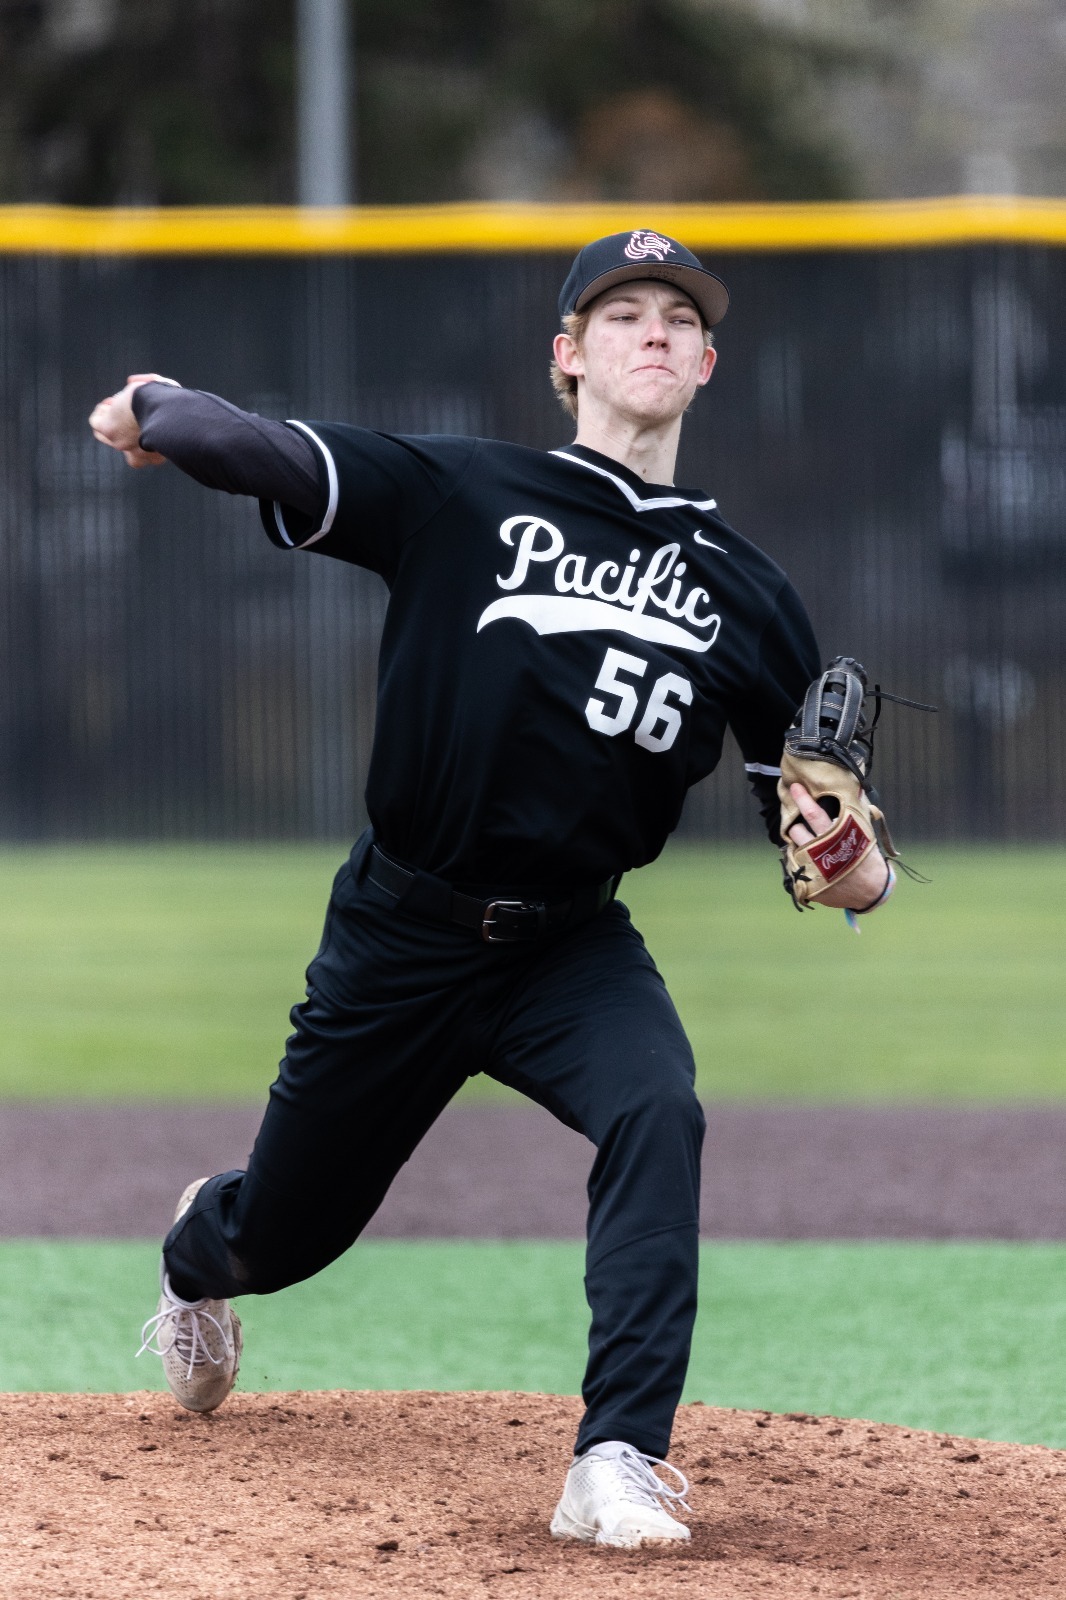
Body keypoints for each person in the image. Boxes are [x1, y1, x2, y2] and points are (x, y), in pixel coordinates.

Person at [89, 229, 893, 1549]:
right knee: (276, 1242)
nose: (651, 330)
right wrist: (160, 411)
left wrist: (847, 868)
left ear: (705, 363)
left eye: (675, 318)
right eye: (619, 311)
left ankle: (615, 1458)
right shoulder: (467, 494)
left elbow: (825, 853)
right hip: (401, 933)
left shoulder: (747, 597)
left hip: (570, 948)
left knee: (658, 1111)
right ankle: (200, 1248)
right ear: (567, 356)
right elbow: (276, 456)